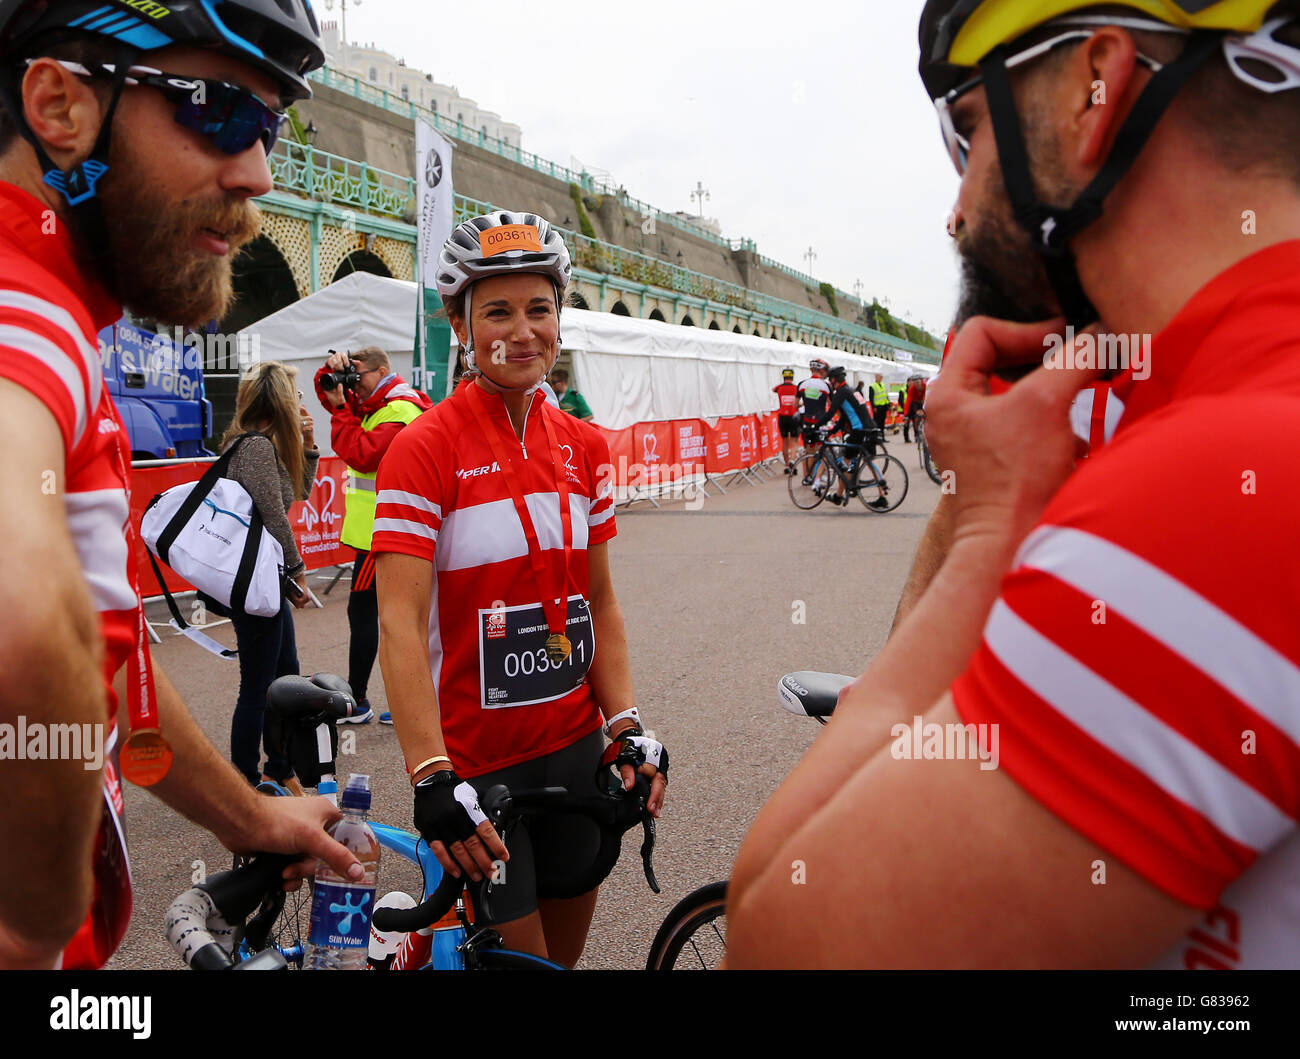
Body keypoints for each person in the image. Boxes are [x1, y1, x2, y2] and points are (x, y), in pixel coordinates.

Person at [729, 1, 1300, 969]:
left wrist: (994, 524)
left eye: (969, 130)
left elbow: (777, 936)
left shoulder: (1214, 485)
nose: (955, 209)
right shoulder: (1178, 401)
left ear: (1096, 89)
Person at [0, 0, 361, 970]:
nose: (258, 171)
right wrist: (35, 939)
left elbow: (116, 682)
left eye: (271, 124)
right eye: (217, 111)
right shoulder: (21, 305)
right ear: (57, 104)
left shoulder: (69, 320)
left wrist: (253, 817)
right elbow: (26, 623)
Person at [372, 211, 668, 967]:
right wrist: (431, 772)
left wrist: (627, 725)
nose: (522, 329)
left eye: (539, 308)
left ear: (559, 319)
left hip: (572, 754)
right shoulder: (422, 449)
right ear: (460, 324)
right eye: (497, 310)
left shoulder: (585, 446)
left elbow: (597, 601)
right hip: (479, 768)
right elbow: (399, 623)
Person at [314, 346, 431, 726]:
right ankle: (390, 699)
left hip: (386, 535)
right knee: (397, 617)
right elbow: (326, 386)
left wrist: (341, 411)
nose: (354, 386)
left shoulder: (399, 410)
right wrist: (335, 371)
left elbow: (362, 455)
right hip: (384, 533)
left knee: (376, 617)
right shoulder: (378, 404)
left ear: (383, 371)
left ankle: (359, 700)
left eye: (359, 376)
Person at [219, 362, 316, 785]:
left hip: (264, 579)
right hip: (258, 580)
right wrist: (298, 570)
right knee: (259, 685)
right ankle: (246, 779)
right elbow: (276, 516)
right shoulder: (254, 446)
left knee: (285, 673)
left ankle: (279, 768)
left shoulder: (255, 444)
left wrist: (308, 445)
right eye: (294, 396)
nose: (300, 404)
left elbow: (296, 494)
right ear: (278, 400)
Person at [814, 366, 890, 510]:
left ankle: (839, 494)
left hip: (860, 430)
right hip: (869, 428)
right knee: (865, 461)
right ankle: (881, 495)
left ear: (834, 379)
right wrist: (833, 431)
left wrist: (815, 426)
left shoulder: (841, 392)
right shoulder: (852, 391)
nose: (830, 382)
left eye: (830, 380)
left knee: (845, 462)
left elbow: (831, 413)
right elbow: (844, 417)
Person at [797, 358, 832, 453]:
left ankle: (808, 468)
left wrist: (804, 403)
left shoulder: (802, 384)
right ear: (822, 370)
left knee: (808, 451)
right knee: (823, 451)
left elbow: (795, 405)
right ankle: (819, 467)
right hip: (821, 421)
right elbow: (831, 404)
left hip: (807, 420)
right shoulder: (826, 385)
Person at [772, 368, 800, 470]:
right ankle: (792, 460)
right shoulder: (796, 388)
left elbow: (773, 389)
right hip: (793, 416)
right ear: (792, 377)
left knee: (785, 441)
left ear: (783, 377)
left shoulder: (779, 388)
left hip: (782, 416)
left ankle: (787, 465)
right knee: (794, 441)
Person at [902, 374, 927, 442]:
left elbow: (926, 398)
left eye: (918, 383)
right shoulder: (912, 389)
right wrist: (905, 414)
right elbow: (908, 401)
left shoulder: (926, 386)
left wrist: (924, 409)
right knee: (916, 417)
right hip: (915, 403)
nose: (917, 385)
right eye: (915, 383)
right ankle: (917, 433)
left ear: (921, 381)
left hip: (924, 401)